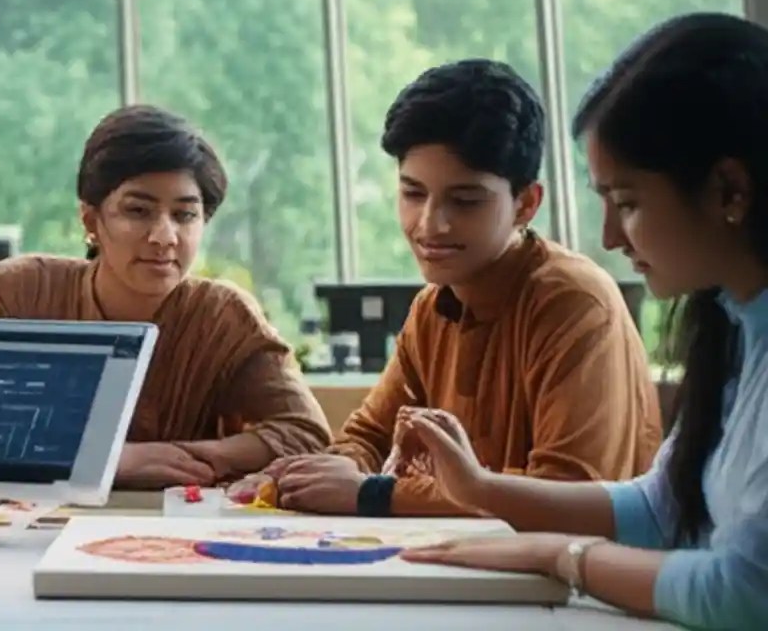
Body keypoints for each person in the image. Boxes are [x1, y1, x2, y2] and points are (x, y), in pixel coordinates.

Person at [392, 13, 768, 630]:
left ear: (730, 190)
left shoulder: (575, 301)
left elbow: (746, 592)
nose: (609, 236)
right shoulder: (732, 322)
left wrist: (562, 556)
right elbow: (660, 506)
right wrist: (480, 489)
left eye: (628, 203)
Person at [258, 59, 661, 516]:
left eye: (465, 201)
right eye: (413, 194)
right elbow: (368, 436)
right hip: (473, 570)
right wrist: (301, 477)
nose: (430, 224)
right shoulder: (433, 307)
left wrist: (373, 493)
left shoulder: (575, 304)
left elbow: (570, 489)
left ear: (526, 203)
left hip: (578, 580)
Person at [0, 104, 331, 490]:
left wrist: (194, 457)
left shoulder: (223, 315)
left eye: (185, 215)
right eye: (138, 211)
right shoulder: (20, 292)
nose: (164, 237)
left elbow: (306, 434)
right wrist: (112, 460)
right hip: (24, 531)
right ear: (91, 220)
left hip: (171, 532)